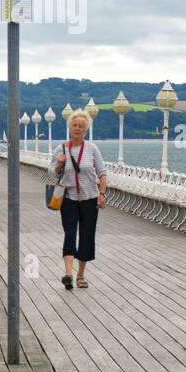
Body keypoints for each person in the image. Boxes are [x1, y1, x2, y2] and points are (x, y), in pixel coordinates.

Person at [48, 109, 108, 291]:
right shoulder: (62, 148)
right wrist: (59, 163)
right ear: (69, 127)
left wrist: (102, 194)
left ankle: (80, 275)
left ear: (85, 130)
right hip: (68, 198)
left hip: (90, 199)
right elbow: (51, 171)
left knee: (87, 236)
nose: (77, 128)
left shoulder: (92, 148)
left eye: (81, 126)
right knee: (70, 234)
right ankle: (68, 274)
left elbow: (102, 173)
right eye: (74, 125)